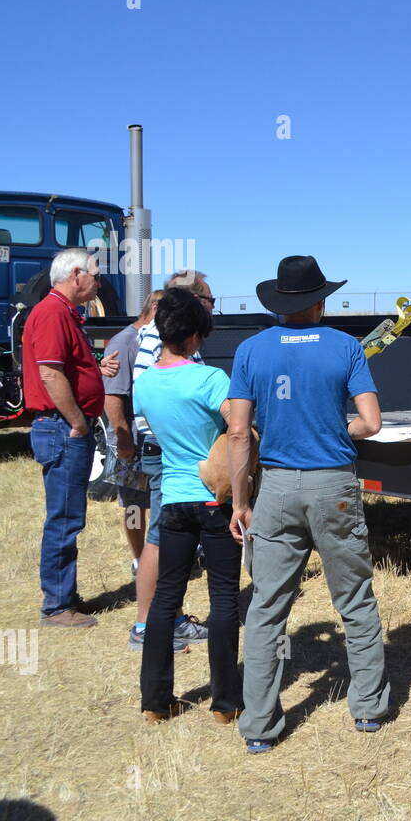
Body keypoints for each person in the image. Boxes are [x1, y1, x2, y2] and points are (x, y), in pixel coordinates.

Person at [227, 255, 389, 753]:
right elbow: (372, 422)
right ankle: (367, 710)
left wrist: (239, 500)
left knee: (267, 608)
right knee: (354, 599)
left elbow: (238, 432)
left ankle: (259, 727)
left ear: (278, 301)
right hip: (333, 487)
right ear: (321, 301)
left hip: (274, 487)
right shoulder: (346, 348)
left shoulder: (251, 350)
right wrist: (335, 430)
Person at [134, 289, 242, 722]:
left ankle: (156, 702)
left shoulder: (144, 384)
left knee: (165, 601)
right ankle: (226, 702)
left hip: (174, 499)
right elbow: (239, 427)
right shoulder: (210, 379)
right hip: (214, 499)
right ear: (195, 336)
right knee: (223, 600)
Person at [21, 249, 120, 627]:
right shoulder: (51, 313)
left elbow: (64, 366)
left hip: (64, 428)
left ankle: (64, 596)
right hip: (62, 429)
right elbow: (50, 375)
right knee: (64, 518)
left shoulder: (63, 313)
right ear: (76, 274)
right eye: (95, 275)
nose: (99, 282)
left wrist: (96, 367)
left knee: (68, 516)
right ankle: (57, 606)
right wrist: (78, 423)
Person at [127, 271, 215, 651]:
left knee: (166, 537)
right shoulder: (157, 341)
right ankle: (146, 626)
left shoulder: (175, 343)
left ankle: (169, 617)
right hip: (167, 453)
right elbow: (152, 398)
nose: (213, 310)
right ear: (194, 304)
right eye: (210, 303)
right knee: (160, 539)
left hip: (168, 450)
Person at [102, 289, 162, 578]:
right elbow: (113, 397)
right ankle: (140, 560)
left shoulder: (150, 340)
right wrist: (123, 441)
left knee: (154, 502)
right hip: (131, 443)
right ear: (153, 310)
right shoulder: (125, 342)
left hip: (149, 440)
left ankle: (156, 554)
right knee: (134, 506)